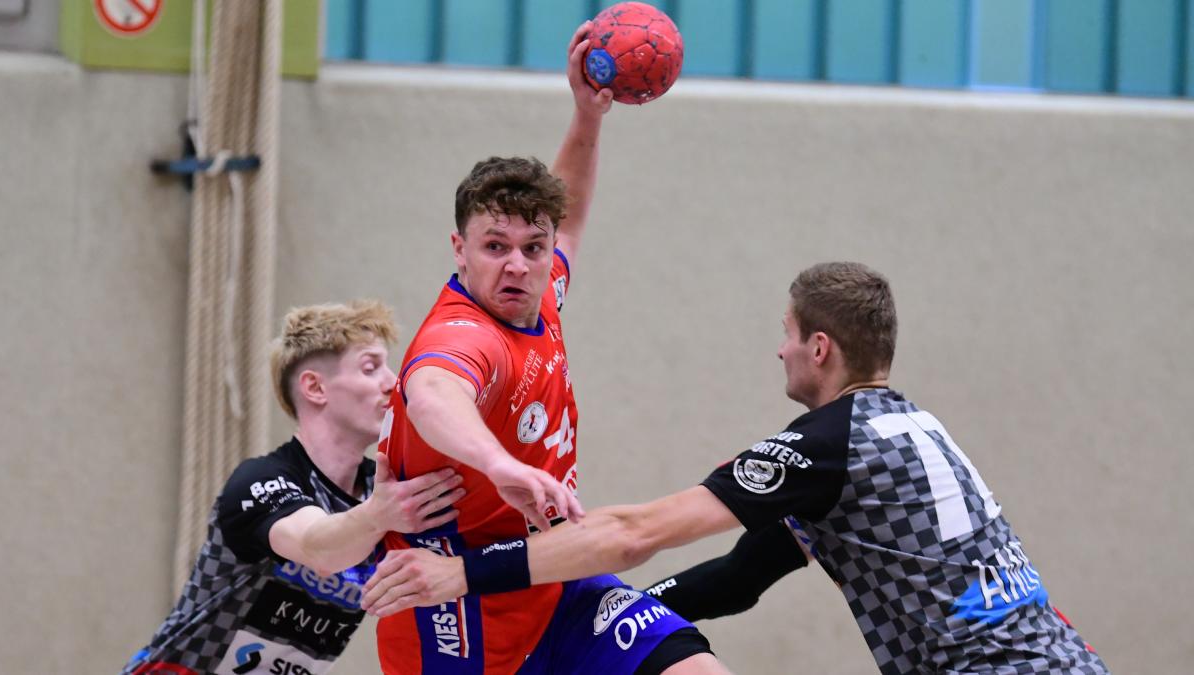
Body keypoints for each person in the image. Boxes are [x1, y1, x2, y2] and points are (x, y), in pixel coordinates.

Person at [363, 262, 1111, 674]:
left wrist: (463, 573)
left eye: (787, 334)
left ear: (820, 348)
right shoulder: (914, 428)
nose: (779, 350)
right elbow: (743, 575)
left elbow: (631, 533)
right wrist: (618, 621)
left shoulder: (827, 445)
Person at [370, 22, 725, 675]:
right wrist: (497, 463)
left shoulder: (540, 292)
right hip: (454, 605)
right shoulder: (465, 333)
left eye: (533, 247)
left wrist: (588, 115)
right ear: (459, 250)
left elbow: (573, 212)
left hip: (555, 581)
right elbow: (433, 394)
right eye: (494, 246)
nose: (517, 264)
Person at [123, 300, 465, 675]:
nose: (392, 382)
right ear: (315, 387)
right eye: (370, 368)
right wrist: (378, 516)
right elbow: (317, 547)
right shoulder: (260, 481)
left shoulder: (380, 489)